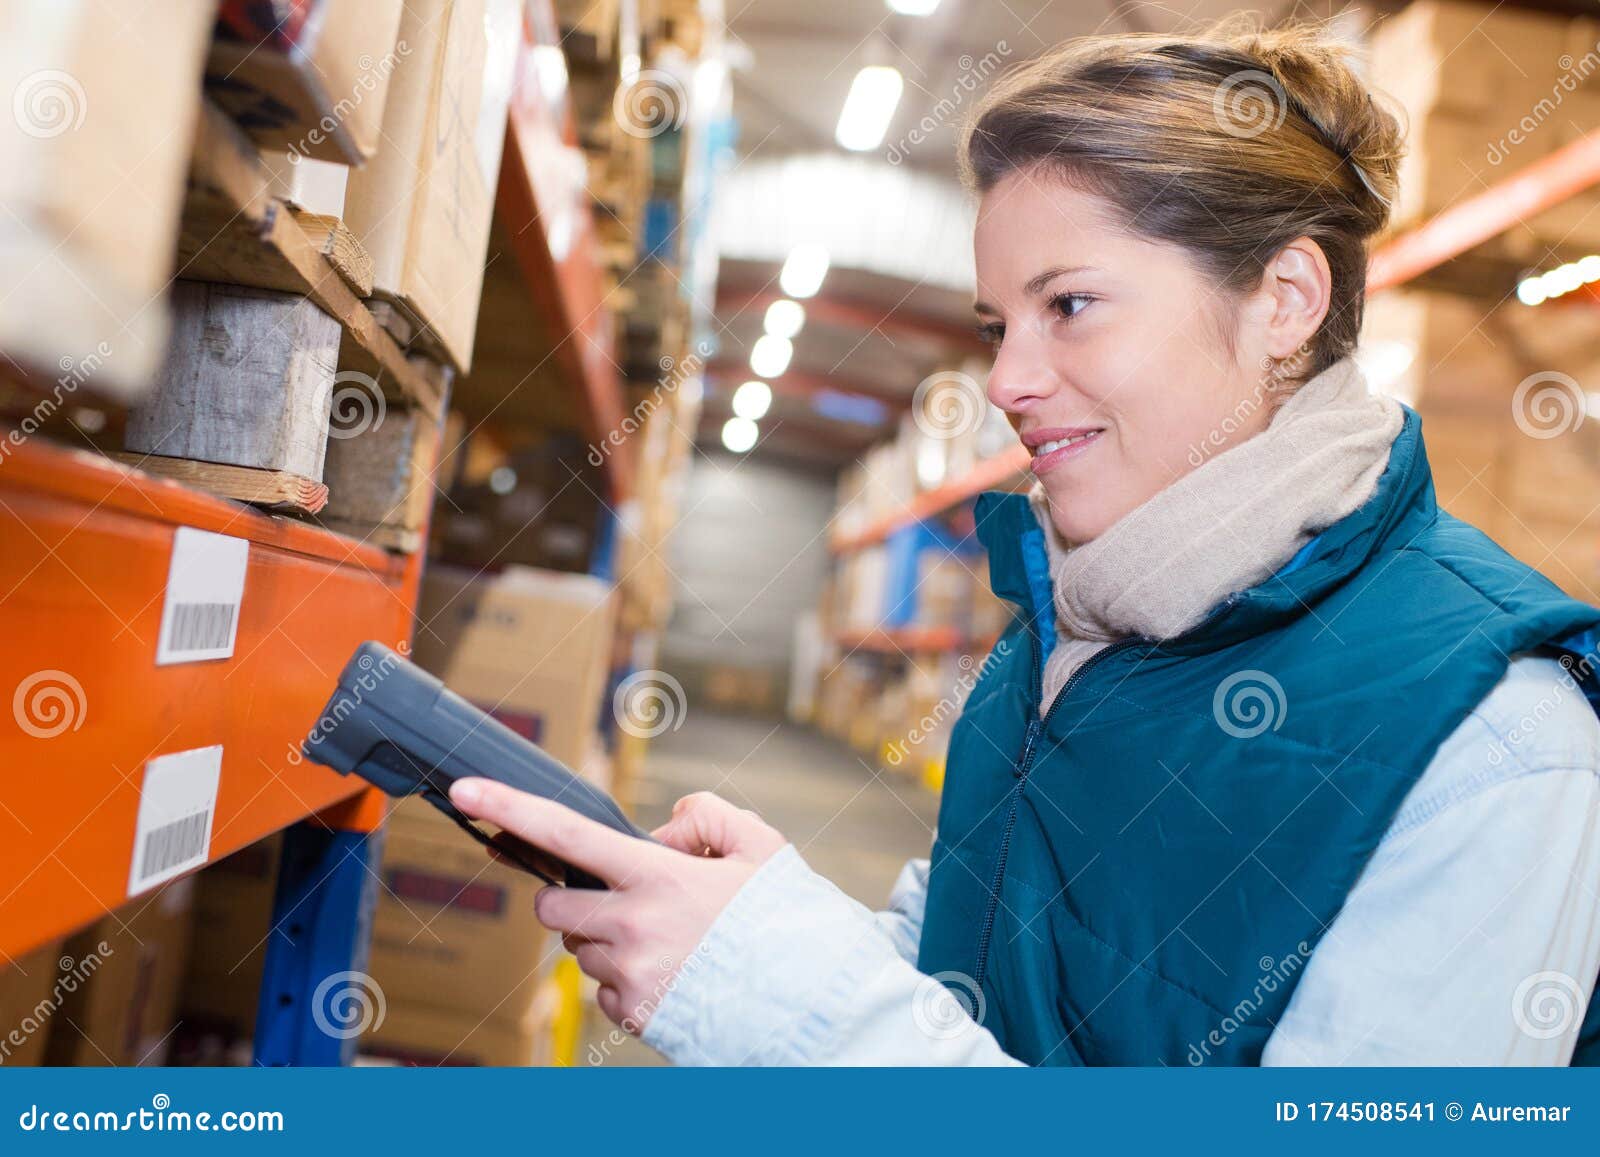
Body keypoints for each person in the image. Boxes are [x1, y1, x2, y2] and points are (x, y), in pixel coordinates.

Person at [451, 21, 1600, 1065]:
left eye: (1072, 306)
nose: (1004, 380)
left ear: (1287, 299)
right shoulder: (1077, 618)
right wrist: (776, 919)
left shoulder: (1498, 742)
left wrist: (784, 997)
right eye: (1000, 324)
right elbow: (993, 958)